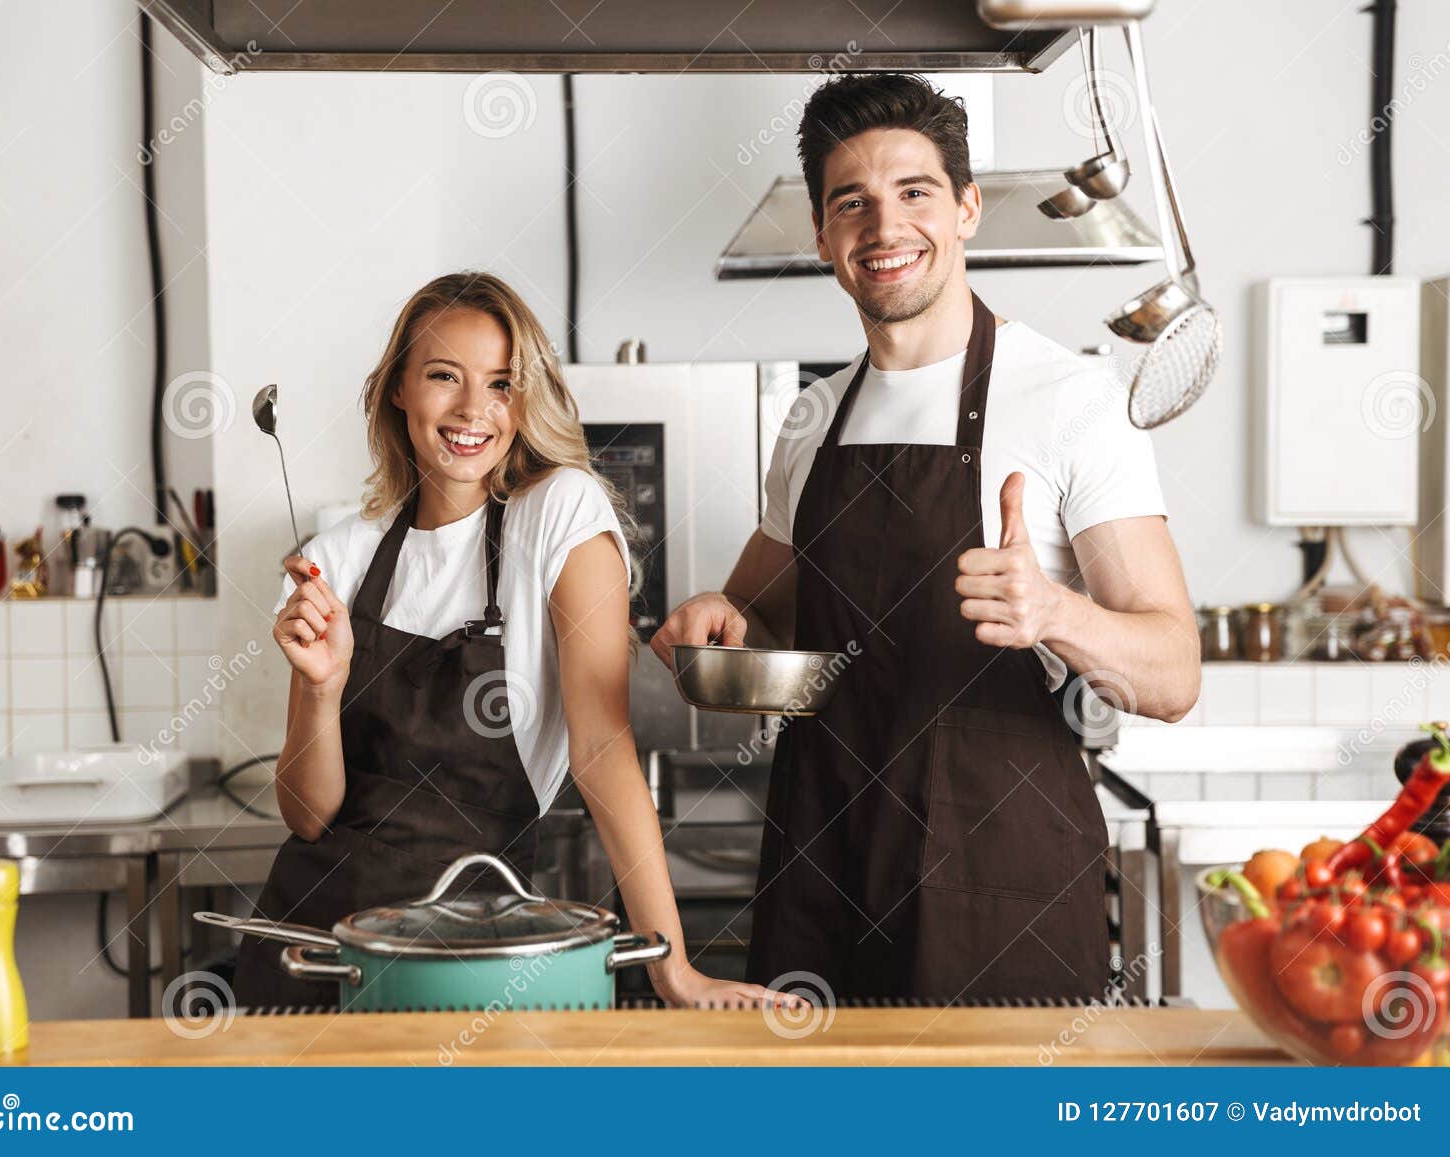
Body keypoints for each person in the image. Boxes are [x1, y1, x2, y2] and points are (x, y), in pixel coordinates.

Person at [651, 74, 1200, 1001]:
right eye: (851, 204)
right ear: (824, 237)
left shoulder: (1072, 401)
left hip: (997, 878)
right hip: (820, 863)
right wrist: (717, 616)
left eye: (915, 193)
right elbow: (754, 613)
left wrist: (1055, 611)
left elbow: (1175, 672)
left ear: (967, 208)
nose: (884, 227)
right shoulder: (810, 421)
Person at [236, 271, 782, 1009]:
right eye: (443, 376)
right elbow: (308, 814)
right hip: (311, 958)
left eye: (500, 383)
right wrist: (320, 684)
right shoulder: (342, 555)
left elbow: (601, 749)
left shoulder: (560, 513)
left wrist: (671, 967)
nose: (473, 410)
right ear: (398, 388)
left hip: (470, 968)